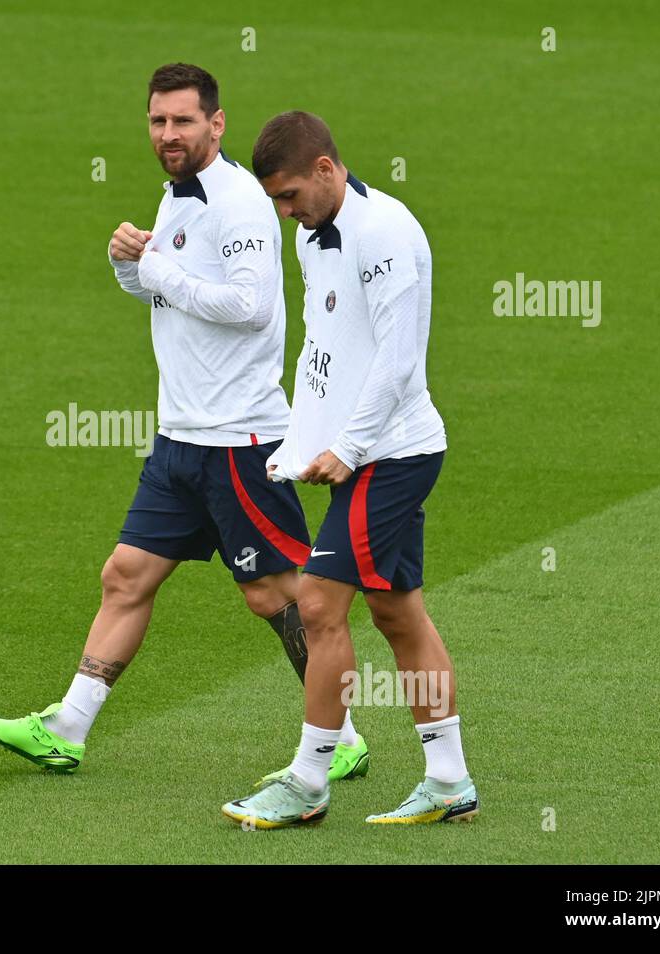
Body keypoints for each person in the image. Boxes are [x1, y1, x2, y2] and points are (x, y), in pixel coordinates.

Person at [0, 68, 367, 780]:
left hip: (238, 440)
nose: (168, 135)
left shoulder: (242, 204)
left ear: (216, 124)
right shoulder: (175, 196)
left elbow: (250, 308)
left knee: (275, 595)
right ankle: (66, 727)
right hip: (181, 437)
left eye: (183, 122)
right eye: (157, 122)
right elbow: (163, 293)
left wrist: (156, 271)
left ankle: (341, 738)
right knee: (125, 576)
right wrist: (128, 263)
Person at [222, 111, 477, 828]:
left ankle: (307, 782)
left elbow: (399, 361)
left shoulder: (387, 235)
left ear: (328, 170)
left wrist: (349, 447)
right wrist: (301, 442)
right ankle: (450, 779)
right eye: (275, 200)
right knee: (398, 612)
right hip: (365, 455)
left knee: (319, 605)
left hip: (395, 456)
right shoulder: (313, 236)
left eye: (291, 195)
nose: (285, 211)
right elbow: (323, 347)